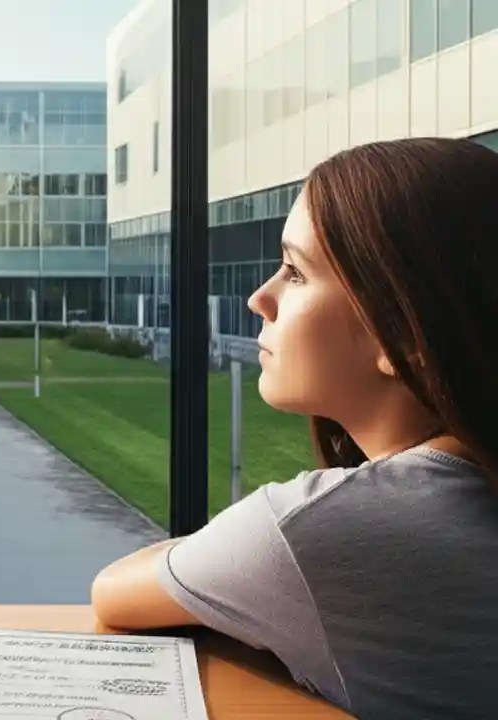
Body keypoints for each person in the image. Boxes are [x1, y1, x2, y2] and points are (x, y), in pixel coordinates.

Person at [89, 138, 498, 719]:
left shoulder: (314, 531)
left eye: (295, 272)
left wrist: (261, 561)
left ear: (400, 334)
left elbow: (114, 592)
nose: (261, 298)